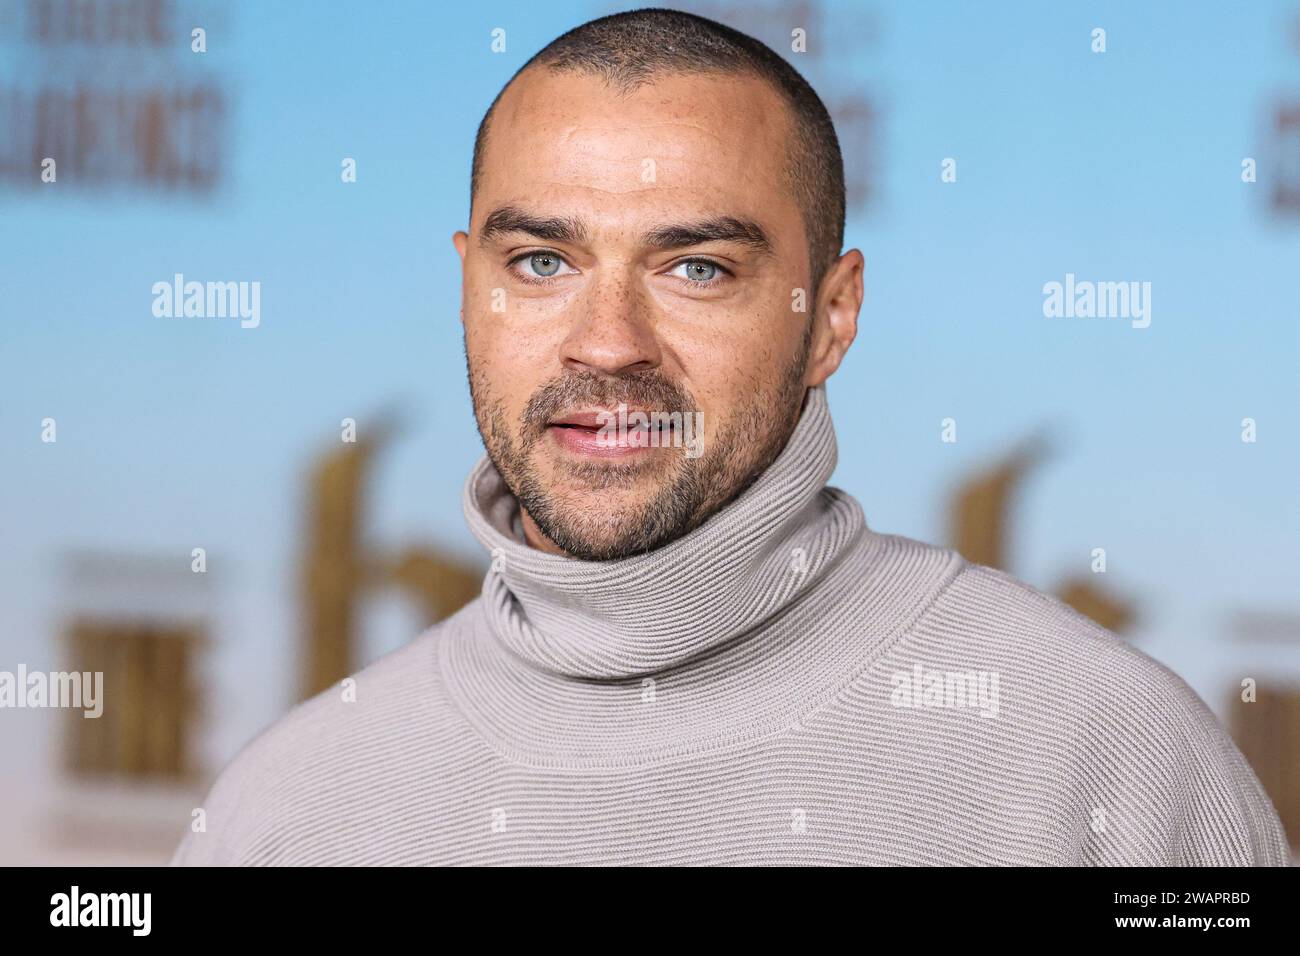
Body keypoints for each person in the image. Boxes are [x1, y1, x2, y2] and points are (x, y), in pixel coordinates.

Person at [171, 8, 1289, 866]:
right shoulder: (287, 808)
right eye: (541, 263)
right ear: (468, 286)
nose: (606, 344)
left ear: (831, 316)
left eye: (695, 267)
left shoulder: (1102, 755)